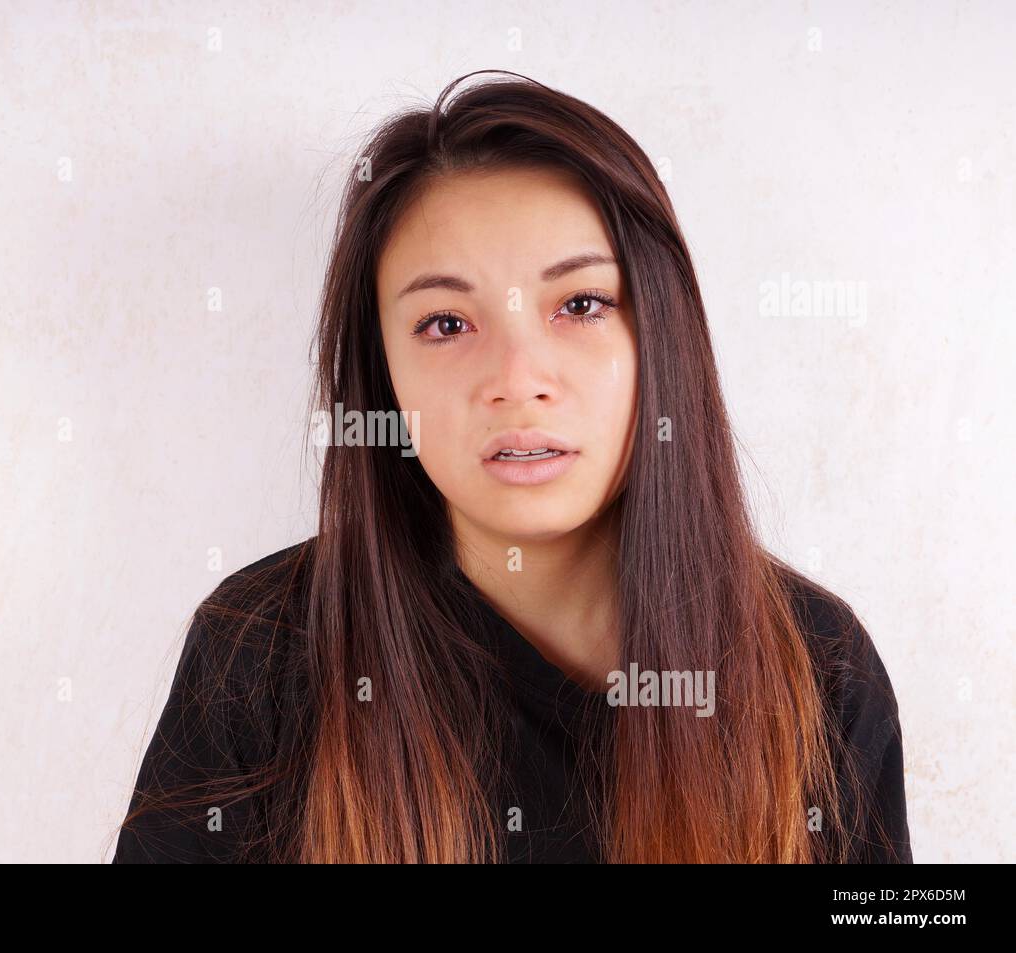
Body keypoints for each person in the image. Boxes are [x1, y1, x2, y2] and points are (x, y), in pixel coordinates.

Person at [113, 70, 911, 863]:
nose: (518, 378)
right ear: (380, 370)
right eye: (447, 322)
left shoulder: (818, 669)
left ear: (661, 336)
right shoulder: (260, 652)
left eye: (582, 305)